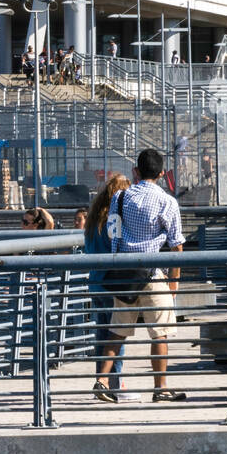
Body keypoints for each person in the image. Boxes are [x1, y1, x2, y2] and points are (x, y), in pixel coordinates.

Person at [94, 148, 185, 403]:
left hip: (125, 271)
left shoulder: (120, 198)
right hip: (153, 272)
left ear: (136, 170)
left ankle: (101, 381)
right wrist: (173, 283)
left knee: (117, 332)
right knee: (160, 333)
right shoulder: (167, 201)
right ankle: (161, 388)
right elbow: (177, 245)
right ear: (162, 173)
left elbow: (114, 232)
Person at [83, 175, 134, 402]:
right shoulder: (114, 218)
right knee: (117, 334)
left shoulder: (94, 219)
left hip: (95, 281)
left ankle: (100, 382)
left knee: (102, 334)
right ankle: (115, 385)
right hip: (112, 282)